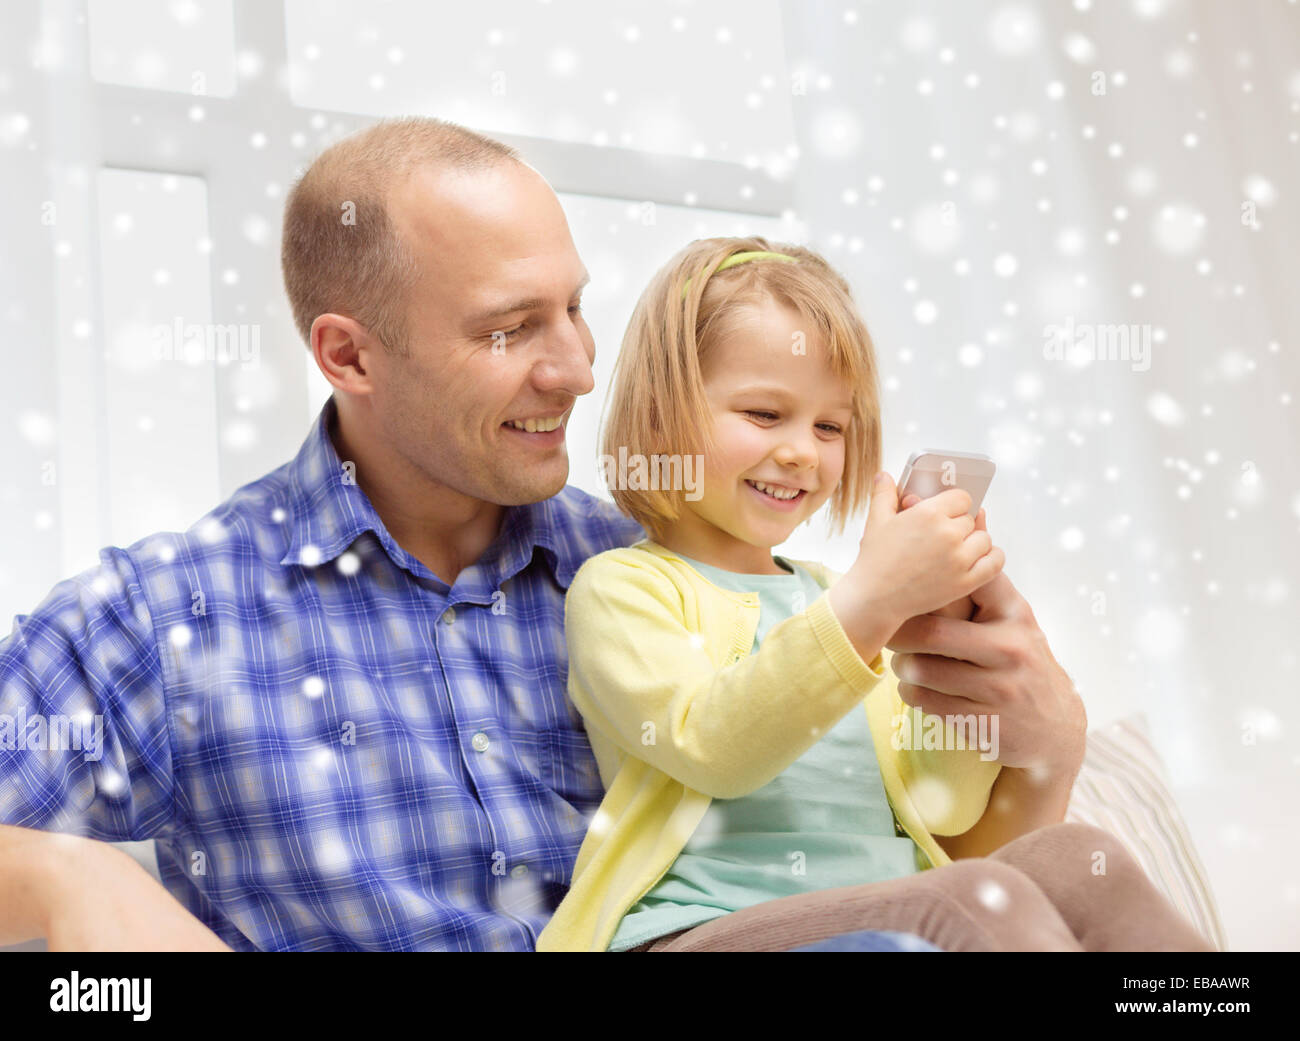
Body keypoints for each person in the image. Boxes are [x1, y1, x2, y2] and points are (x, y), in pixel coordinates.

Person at [0, 117, 1094, 952]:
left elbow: (887, 884)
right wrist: (66, 877)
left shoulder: (663, 565)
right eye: (510, 328)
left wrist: (1040, 756)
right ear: (350, 357)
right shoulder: (167, 615)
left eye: (574, 309)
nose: (576, 367)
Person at [535, 240, 1216, 953]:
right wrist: (869, 606)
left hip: (883, 910)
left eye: (829, 425)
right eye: (766, 414)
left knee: (1075, 859)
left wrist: (939, 652)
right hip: (697, 930)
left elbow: (942, 805)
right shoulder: (624, 589)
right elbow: (715, 745)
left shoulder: (838, 603)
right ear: (660, 414)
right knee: (970, 900)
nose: (804, 450)